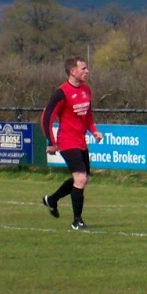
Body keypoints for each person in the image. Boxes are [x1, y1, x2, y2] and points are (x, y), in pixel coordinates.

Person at [39, 56, 102, 230]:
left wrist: (94, 131)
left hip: (81, 141)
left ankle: (51, 199)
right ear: (72, 71)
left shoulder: (86, 89)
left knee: (81, 179)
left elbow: (87, 115)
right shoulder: (61, 92)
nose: (87, 71)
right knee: (80, 178)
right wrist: (51, 142)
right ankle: (77, 221)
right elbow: (46, 118)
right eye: (83, 68)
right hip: (67, 141)